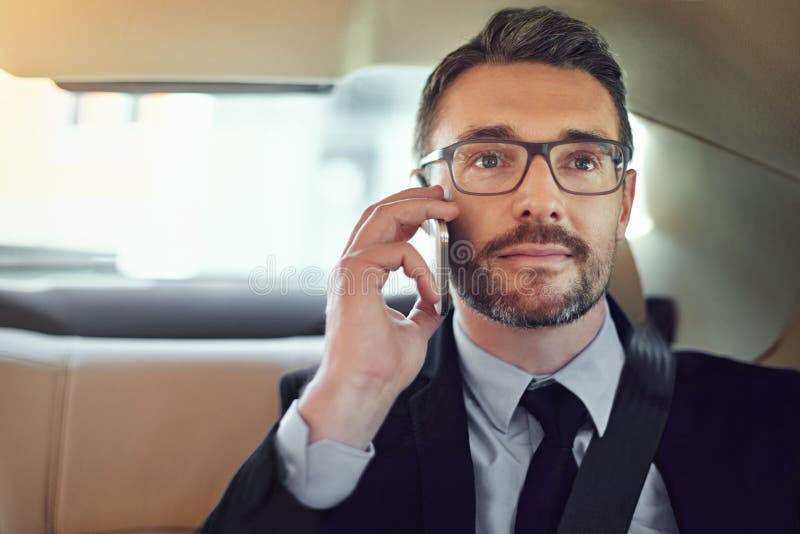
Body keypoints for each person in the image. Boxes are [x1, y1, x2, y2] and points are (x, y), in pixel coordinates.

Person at [201, 6, 800, 534]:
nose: (540, 199)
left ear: (623, 203)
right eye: (489, 158)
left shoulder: (772, 418)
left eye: (584, 159)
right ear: (426, 201)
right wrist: (350, 397)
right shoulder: (340, 418)